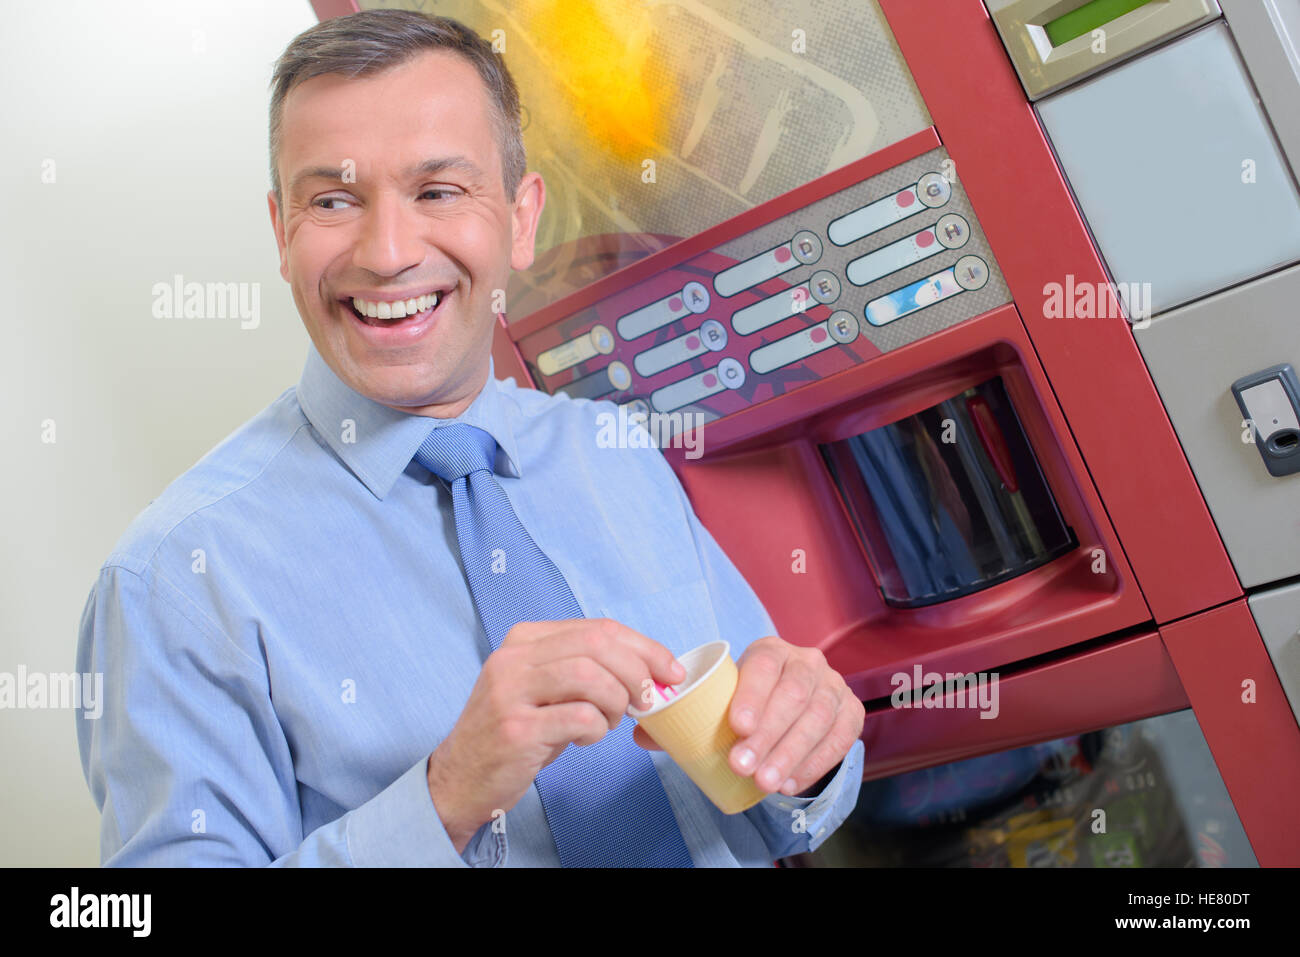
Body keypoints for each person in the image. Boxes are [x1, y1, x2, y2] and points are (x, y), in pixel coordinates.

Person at [75, 9, 865, 867]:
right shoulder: (174, 581)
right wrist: (445, 797)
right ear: (282, 233)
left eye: (438, 191)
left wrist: (807, 750)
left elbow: (773, 806)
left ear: (521, 221)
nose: (386, 251)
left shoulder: (612, 447)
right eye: (334, 200)